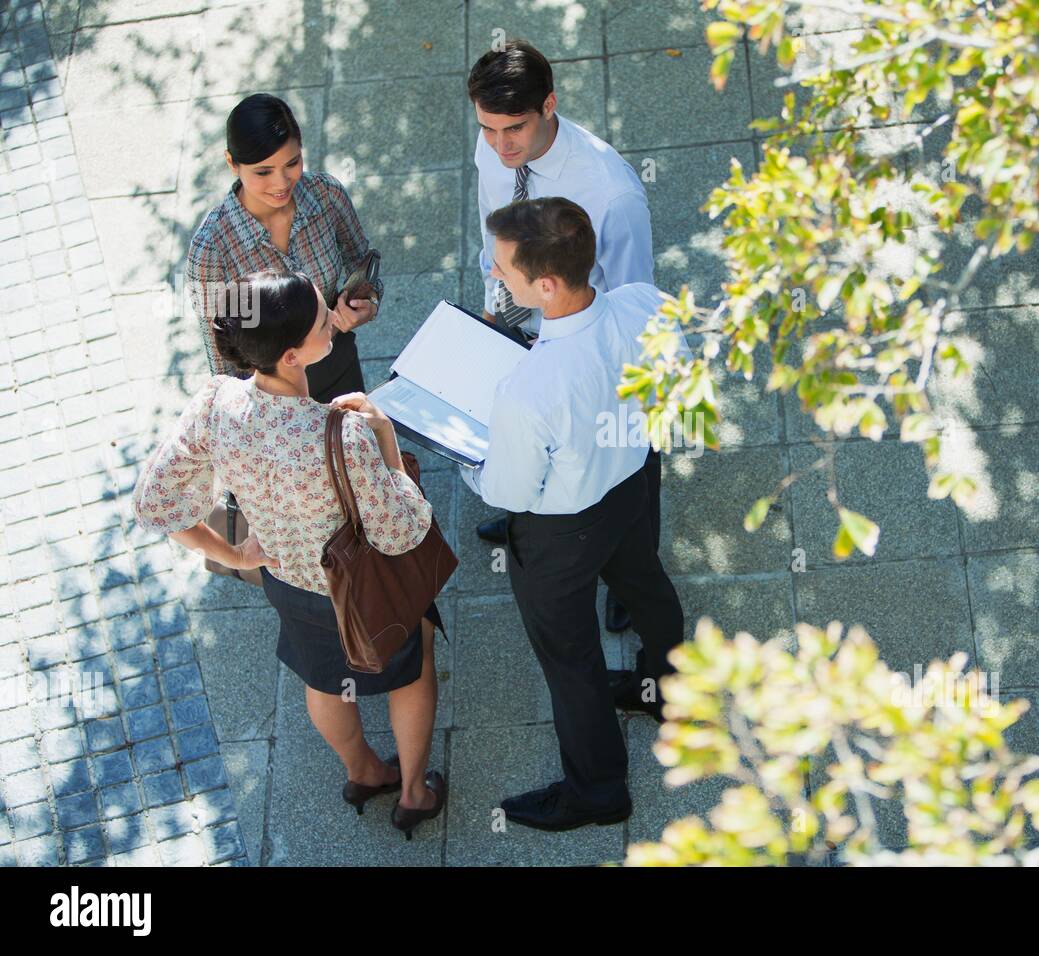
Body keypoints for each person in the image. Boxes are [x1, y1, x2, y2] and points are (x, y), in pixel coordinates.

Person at [131, 271, 445, 840]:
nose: (334, 324)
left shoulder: (216, 402)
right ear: (294, 355)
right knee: (412, 665)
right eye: (325, 321)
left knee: (325, 678)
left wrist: (235, 555)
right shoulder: (343, 435)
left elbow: (155, 501)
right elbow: (402, 530)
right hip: (363, 587)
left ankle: (364, 773)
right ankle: (414, 793)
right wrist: (386, 440)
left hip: (288, 584)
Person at [460, 198, 686, 832]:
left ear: (546, 286)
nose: (494, 273)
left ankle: (597, 791)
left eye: (504, 267)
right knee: (646, 585)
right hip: (632, 485)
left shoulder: (527, 390)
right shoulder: (645, 303)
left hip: (561, 531)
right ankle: (668, 690)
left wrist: (470, 461)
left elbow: (509, 490)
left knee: (571, 657)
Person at [466, 40, 661, 637]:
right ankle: (527, 511)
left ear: (548, 105)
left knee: (626, 464)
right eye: (488, 128)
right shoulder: (493, 147)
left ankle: (631, 573)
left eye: (514, 129)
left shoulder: (610, 192)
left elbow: (632, 294)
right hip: (517, 319)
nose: (500, 146)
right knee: (527, 434)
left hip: (585, 343)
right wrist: (496, 307)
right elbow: (492, 232)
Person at [186, 93, 382, 404]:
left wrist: (368, 303)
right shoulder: (211, 250)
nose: (281, 183)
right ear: (232, 164)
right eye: (263, 171)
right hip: (270, 402)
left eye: (292, 163)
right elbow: (222, 366)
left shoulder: (327, 195)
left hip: (337, 365)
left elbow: (365, 269)